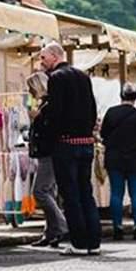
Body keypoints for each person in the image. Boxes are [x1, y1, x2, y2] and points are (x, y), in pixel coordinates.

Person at [40, 43, 100, 256]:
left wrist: (43, 116)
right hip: (86, 142)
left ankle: (79, 243)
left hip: (66, 143)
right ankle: (94, 241)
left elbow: (55, 113)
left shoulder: (56, 78)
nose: (41, 62)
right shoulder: (83, 76)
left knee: (71, 194)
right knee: (86, 193)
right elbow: (93, 109)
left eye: (43, 57)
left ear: (55, 56)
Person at [100, 84, 136, 241]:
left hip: (115, 159)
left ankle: (118, 228)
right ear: (135, 98)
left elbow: (103, 134)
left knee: (116, 193)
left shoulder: (111, 113)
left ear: (121, 96)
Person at [25, 71, 69, 248]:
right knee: (48, 192)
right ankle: (51, 232)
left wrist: (38, 118)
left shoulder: (48, 106)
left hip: (48, 153)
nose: (29, 92)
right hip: (47, 153)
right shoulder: (47, 104)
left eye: (31, 88)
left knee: (40, 191)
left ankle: (61, 226)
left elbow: (51, 129)